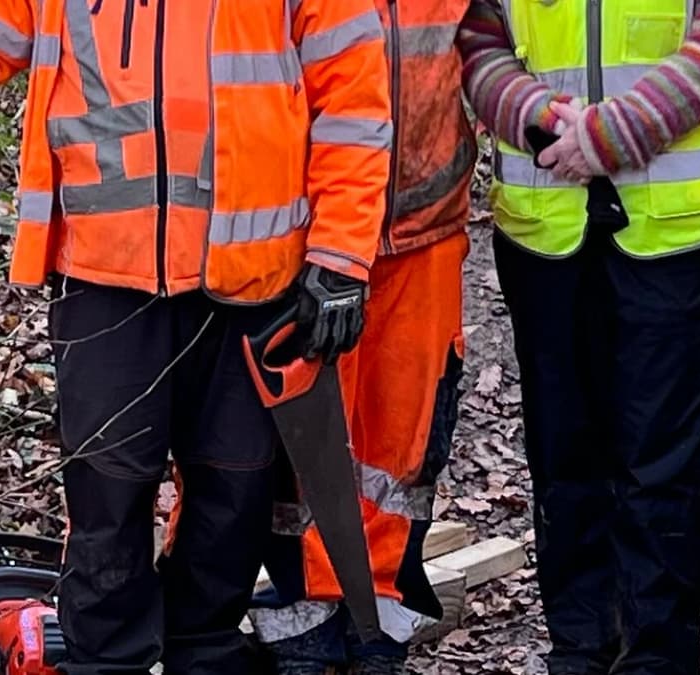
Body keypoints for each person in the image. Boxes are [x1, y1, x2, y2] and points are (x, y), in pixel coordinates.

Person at [0, 1, 391, 672]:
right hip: (103, 273)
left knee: (232, 498)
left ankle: (202, 652)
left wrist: (341, 254)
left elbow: (353, 92)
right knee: (107, 502)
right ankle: (105, 662)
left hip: (253, 277)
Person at [456, 0, 700, 671]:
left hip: (679, 231)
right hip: (546, 227)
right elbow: (479, 36)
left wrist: (613, 133)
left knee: (664, 473)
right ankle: (580, 647)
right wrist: (535, 112)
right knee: (564, 462)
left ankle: (656, 654)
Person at [247, 0, 478, 673]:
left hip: (424, 217)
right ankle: (305, 604)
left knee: (403, 436)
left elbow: (492, 39)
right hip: (300, 223)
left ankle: (376, 604)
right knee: (297, 430)